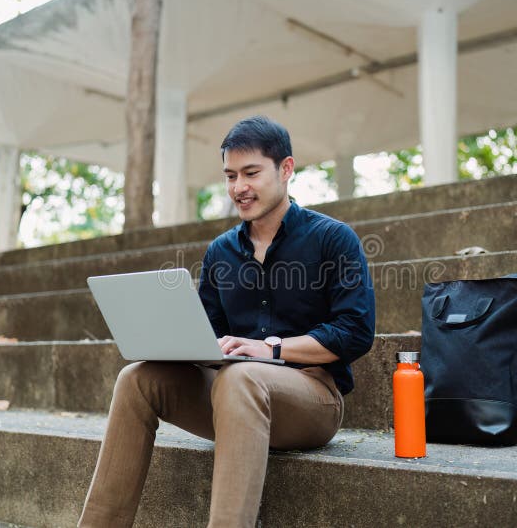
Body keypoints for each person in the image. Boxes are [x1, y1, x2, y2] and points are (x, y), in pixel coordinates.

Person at [78, 115, 376, 527]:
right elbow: (210, 336)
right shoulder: (221, 252)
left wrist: (269, 348)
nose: (239, 187)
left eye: (251, 173)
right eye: (230, 175)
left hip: (313, 397)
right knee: (137, 378)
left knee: (242, 378)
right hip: (230, 396)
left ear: (285, 169)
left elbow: (355, 332)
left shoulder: (333, 238)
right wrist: (176, 342)